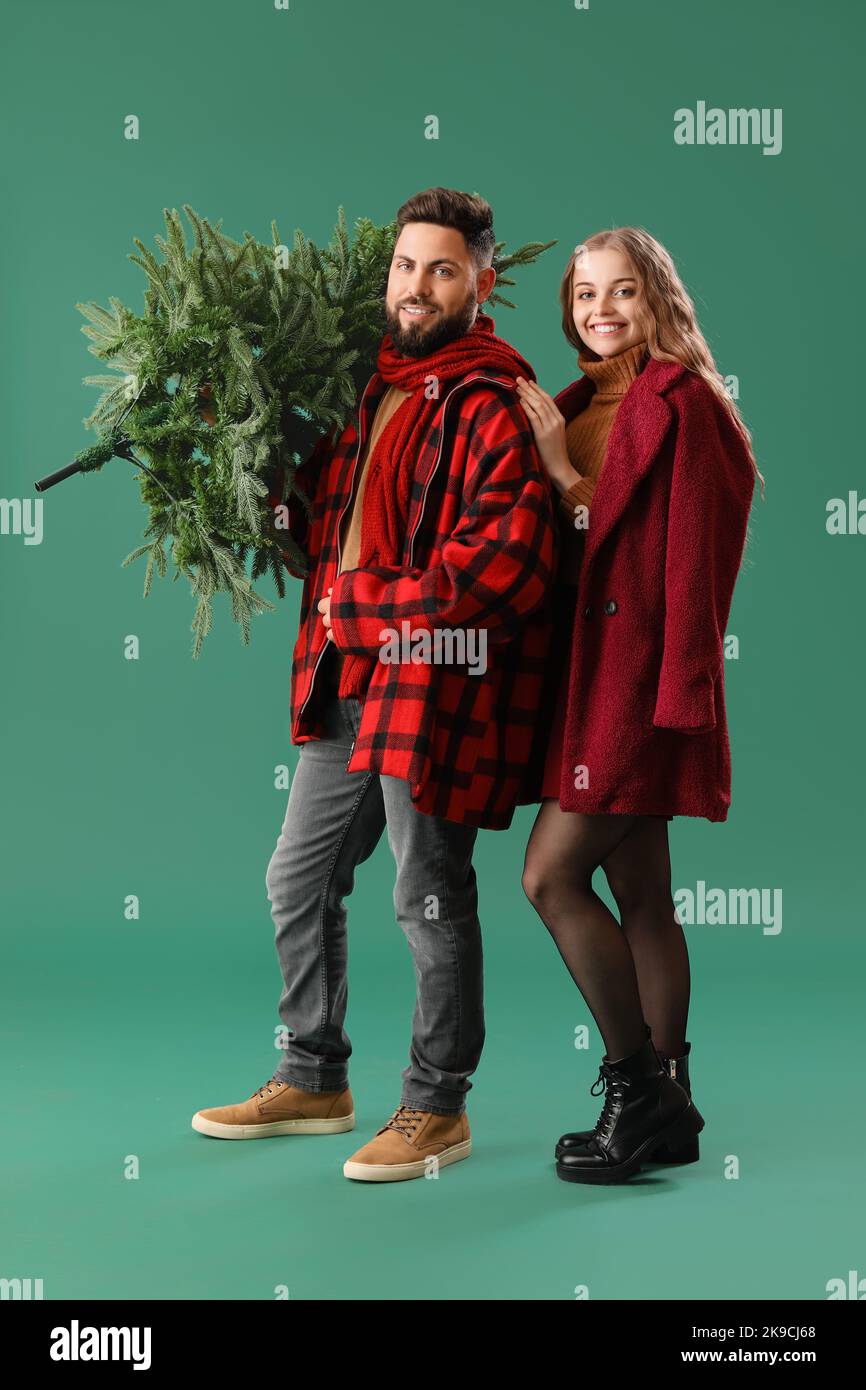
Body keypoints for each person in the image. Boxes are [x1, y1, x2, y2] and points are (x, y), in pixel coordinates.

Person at [191, 187, 558, 1183]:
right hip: (349, 683)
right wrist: (257, 490)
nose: (415, 286)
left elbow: (508, 565)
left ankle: (436, 1107)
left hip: (429, 684)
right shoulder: (380, 388)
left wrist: (360, 605)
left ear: (480, 282)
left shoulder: (491, 401)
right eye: (404, 266)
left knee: (426, 895)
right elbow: (332, 527)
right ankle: (313, 1073)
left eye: (440, 269)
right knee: (296, 877)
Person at [514, 228, 762, 1185]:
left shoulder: (683, 401)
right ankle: (676, 1111)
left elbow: (694, 556)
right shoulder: (584, 398)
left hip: (639, 682)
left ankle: (637, 1087)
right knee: (643, 894)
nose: (600, 310)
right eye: (584, 295)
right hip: (587, 680)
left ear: (657, 296)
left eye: (621, 291)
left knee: (549, 877)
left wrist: (682, 692)